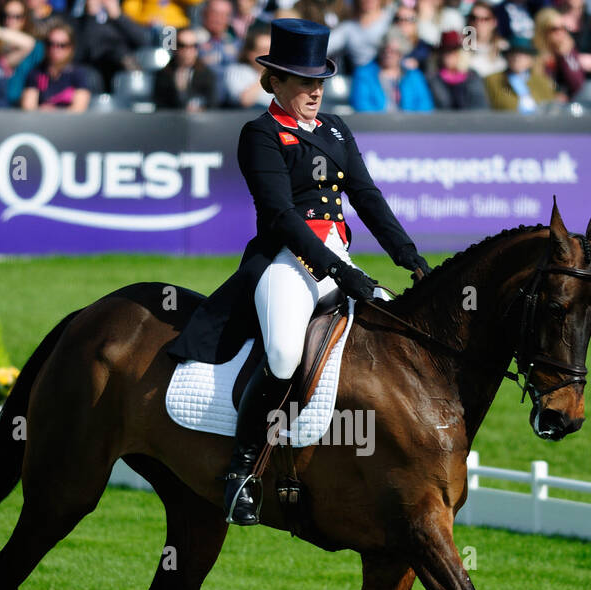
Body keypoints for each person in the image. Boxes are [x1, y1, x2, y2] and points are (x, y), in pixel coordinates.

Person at [165, 18, 430, 525]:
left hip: (338, 259)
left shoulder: (335, 129)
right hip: (286, 261)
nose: (314, 91)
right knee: (285, 351)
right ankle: (242, 470)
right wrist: (338, 272)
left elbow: (367, 196)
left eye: (320, 82)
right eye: (304, 82)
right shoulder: (260, 134)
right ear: (275, 82)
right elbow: (282, 216)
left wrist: (408, 254)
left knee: (400, 339)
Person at [350, 25, 434, 109]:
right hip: (375, 121)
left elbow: (425, 105)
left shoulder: (414, 76)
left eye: (394, 52)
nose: (388, 55)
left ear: (401, 54)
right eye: (385, 50)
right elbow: (361, 104)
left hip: (410, 121)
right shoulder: (364, 74)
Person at [74, 0, 146, 93]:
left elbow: (142, 40)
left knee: (125, 60)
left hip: (121, 65)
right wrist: (91, 15)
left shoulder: (123, 15)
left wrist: (118, 16)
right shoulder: (82, 21)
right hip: (94, 64)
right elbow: (84, 47)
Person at [21, 18, 91, 108]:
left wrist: (53, 112)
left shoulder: (78, 74)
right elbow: (28, 107)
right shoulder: (35, 73)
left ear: (71, 48)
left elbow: (79, 108)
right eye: (51, 44)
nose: (55, 49)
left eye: (62, 45)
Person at [483, 35, 557, 110]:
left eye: (523, 54)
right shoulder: (492, 80)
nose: (517, 58)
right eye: (513, 53)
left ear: (531, 60)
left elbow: (550, 108)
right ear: (507, 57)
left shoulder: (543, 82)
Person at [152, 24, 215, 109]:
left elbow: (213, 104)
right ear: (175, 48)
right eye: (182, 45)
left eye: (192, 46)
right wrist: (179, 91)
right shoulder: (163, 75)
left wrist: (199, 109)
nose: (187, 51)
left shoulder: (207, 74)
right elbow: (160, 105)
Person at [426, 27, 488, 108]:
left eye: (453, 51)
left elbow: (480, 106)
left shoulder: (472, 77)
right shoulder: (433, 78)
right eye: (445, 52)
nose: (448, 56)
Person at [535, 6, 585, 98]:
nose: (561, 33)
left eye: (563, 28)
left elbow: (578, 85)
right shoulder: (534, 54)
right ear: (543, 31)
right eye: (555, 29)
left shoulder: (569, 51)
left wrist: (565, 56)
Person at [222, 20, 271, 106]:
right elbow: (244, 101)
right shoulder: (236, 71)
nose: (269, 54)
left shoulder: (281, 76)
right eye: (264, 50)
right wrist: (267, 75)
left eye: (271, 50)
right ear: (251, 54)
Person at [460, 2, 505, 77]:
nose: (478, 22)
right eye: (473, 18)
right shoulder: (459, 48)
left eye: (485, 19)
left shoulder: (503, 48)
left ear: (494, 22)